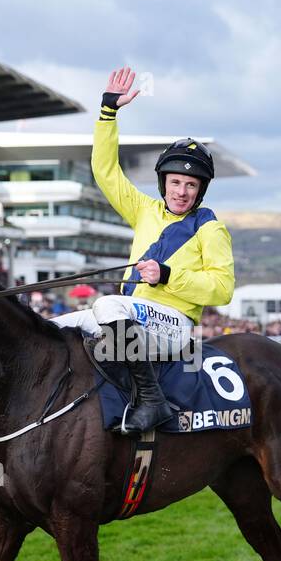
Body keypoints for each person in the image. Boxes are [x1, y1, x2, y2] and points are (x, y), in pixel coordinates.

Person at [50, 66, 235, 434]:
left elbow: (223, 289)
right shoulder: (144, 210)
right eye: (176, 182)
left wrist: (168, 276)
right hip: (133, 318)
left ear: (201, 191)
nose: (182, 191)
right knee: (49, 328)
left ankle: (151, 401)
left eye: (191, 185)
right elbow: (105, 171)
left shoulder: (210, 228)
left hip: (174, 325)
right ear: (164, 181)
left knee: (107, 305)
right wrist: (108, 112)